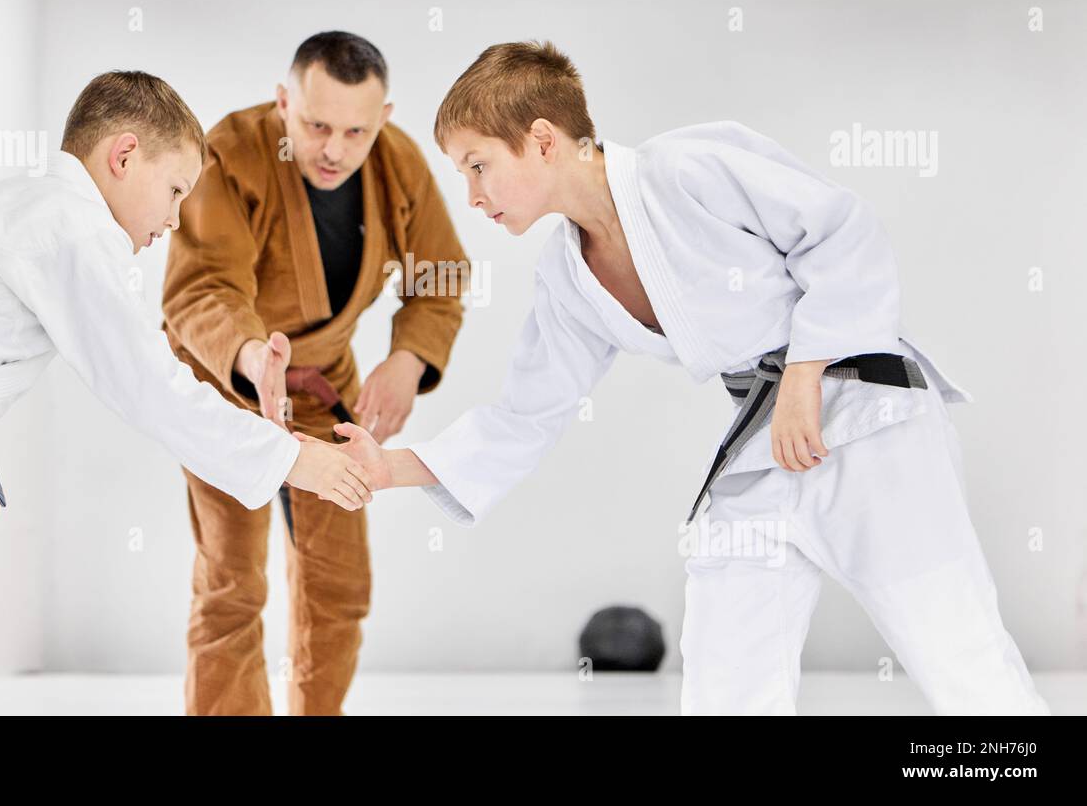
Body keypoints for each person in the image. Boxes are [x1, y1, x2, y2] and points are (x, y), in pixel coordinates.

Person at [322, 40, 1050, 716]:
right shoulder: (567, 278)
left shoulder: (690, 167)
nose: (474, 195)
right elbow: (527, 414)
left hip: (867, 412)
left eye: (477, 165)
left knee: (955, 648)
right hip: (765, 441)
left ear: (543, 139)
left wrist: (806, 369)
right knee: (725, 670)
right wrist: (389, 467)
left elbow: (841, 230)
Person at [0, 70, 369, 715]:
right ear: (123, 156)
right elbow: (150, 387)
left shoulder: (15, 208)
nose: (175, 219)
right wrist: (292, 457)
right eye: (175, 190)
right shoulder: (74, 223)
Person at [163, 32, 468, 715]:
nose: (335, 148)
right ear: (283, 103)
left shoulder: (398, 162)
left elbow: (441, 276)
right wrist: (252, 363)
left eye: (356, 130)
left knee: (340, 584)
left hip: (327, 386)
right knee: (232, 581)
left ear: (383, 118)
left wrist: (407, 358)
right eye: (316, 124)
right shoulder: (234, 151)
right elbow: (201, 289)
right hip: (227, 385)